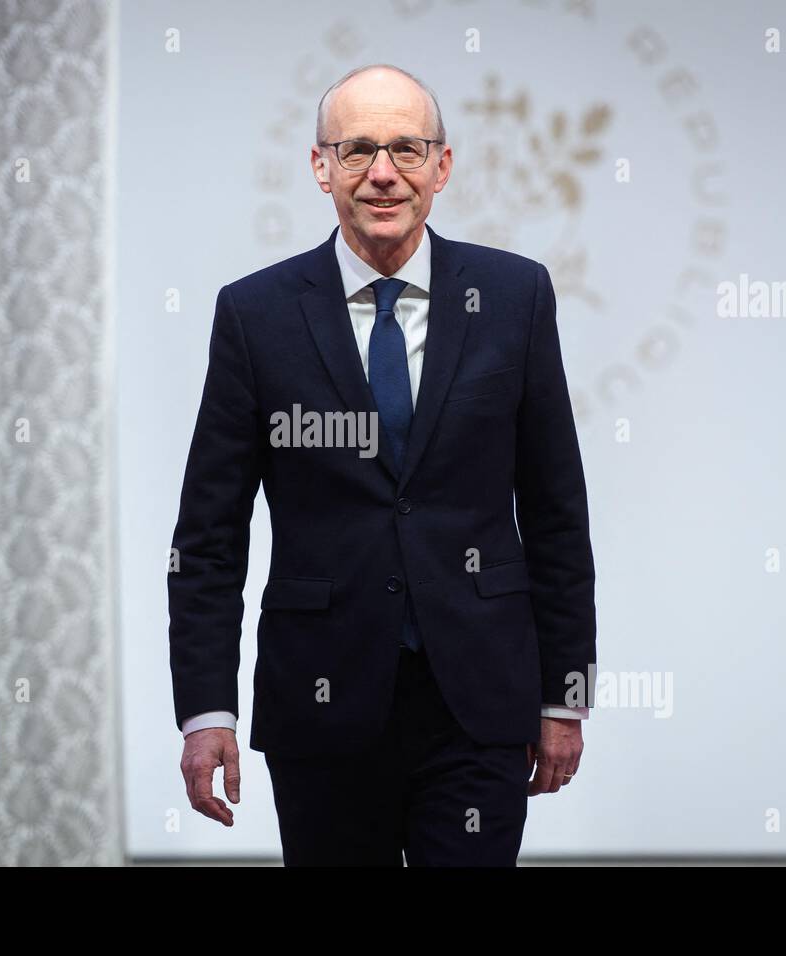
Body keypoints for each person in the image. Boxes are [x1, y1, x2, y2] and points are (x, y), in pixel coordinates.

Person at [168, 63, 596, 866]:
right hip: (321, 703)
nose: (383, 173)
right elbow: (208, 536)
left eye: (406, 147)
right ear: (320, 166)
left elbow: (555, 513)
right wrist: (205, 712)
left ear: (443, 164)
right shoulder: (255, 314)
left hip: (478, 699)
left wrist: (563, 696)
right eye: (358, 149)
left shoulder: (515, 297)